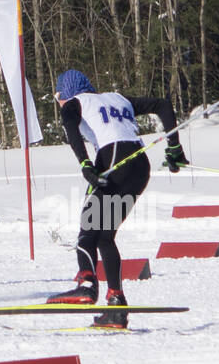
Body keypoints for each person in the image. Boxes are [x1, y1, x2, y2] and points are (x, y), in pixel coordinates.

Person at [47, 69, 187, 328]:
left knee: (87, 233)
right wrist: (174, 145)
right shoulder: (117, 98)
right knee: (104, 236)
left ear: (66, 93)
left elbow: (70, 128)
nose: (58, 102)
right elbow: (163, 104)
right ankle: (116, 307)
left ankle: (86, 285)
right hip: (139, 166)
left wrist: (85, 164)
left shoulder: (76, 103)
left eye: (58, 96)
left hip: (112, 160)